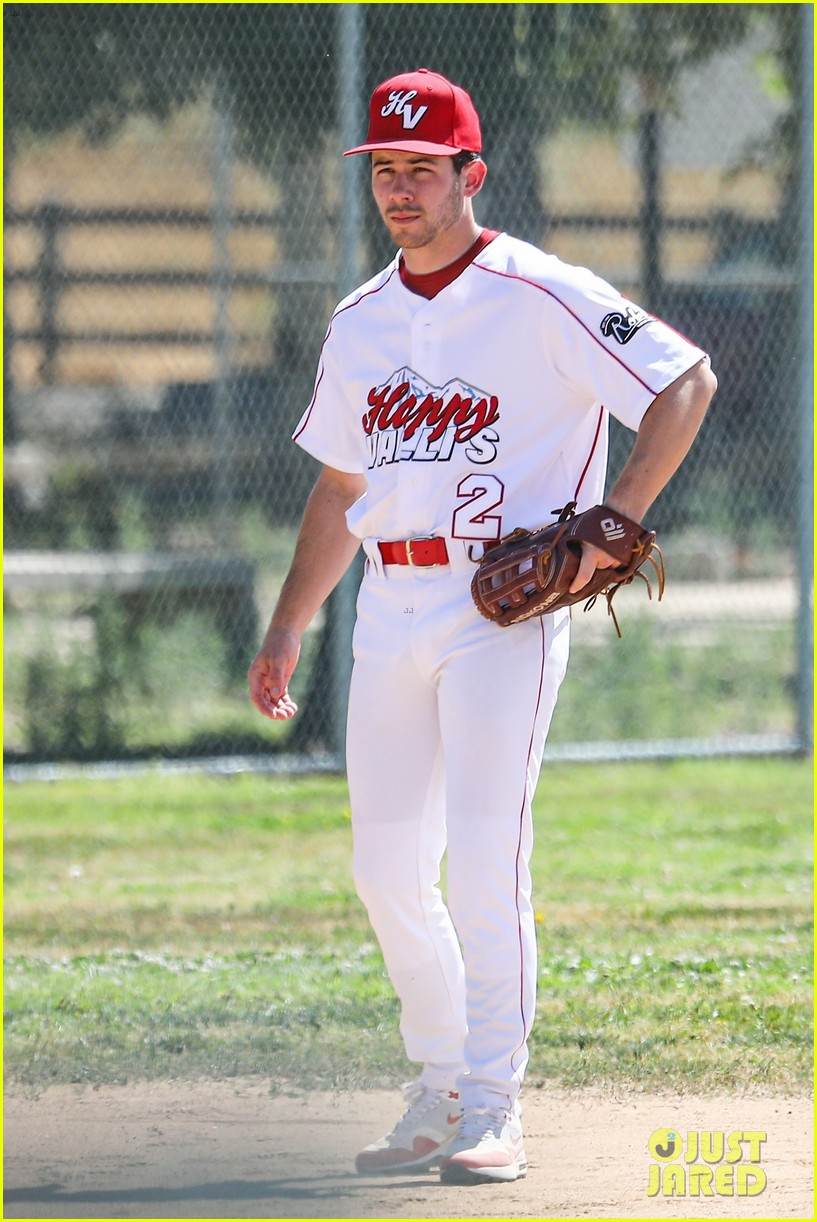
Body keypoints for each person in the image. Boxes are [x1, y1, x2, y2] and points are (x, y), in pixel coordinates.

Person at [248, 68, 717, 1185]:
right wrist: (287, 626)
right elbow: (335, 491)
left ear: (472, 174)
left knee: (482, 862)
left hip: (501, 608)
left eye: (421, 169)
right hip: (387, 607)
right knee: (383, 866)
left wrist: (619, 520)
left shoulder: (536, 291)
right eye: (384, 171)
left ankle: (492, 1105)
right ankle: (437, 1081)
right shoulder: (360, 320)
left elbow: (683, 380)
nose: (399, 189)